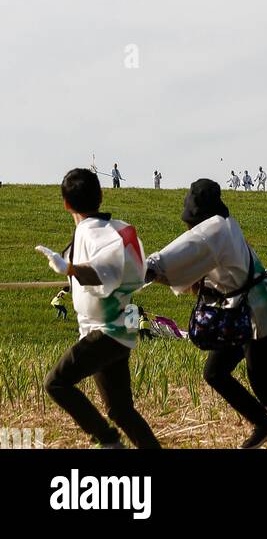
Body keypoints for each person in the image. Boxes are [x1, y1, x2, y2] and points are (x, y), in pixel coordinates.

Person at [146, 177, 267, 450]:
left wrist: (134, 272)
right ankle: (266, 424)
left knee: (263, 383)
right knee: (216, 372)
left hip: (258, 312)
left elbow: (164, 263)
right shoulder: (224, 224)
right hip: (244, 311)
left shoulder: (210, 232)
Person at [38, 167, 159, 449]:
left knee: (56, 383)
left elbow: (106, 271)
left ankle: (107, 440)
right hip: (118, 325)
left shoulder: (94, 234)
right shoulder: (116, 228)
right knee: (120, 410)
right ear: (102, 196)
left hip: (107, 329)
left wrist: (69, 268)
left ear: (66, 203)